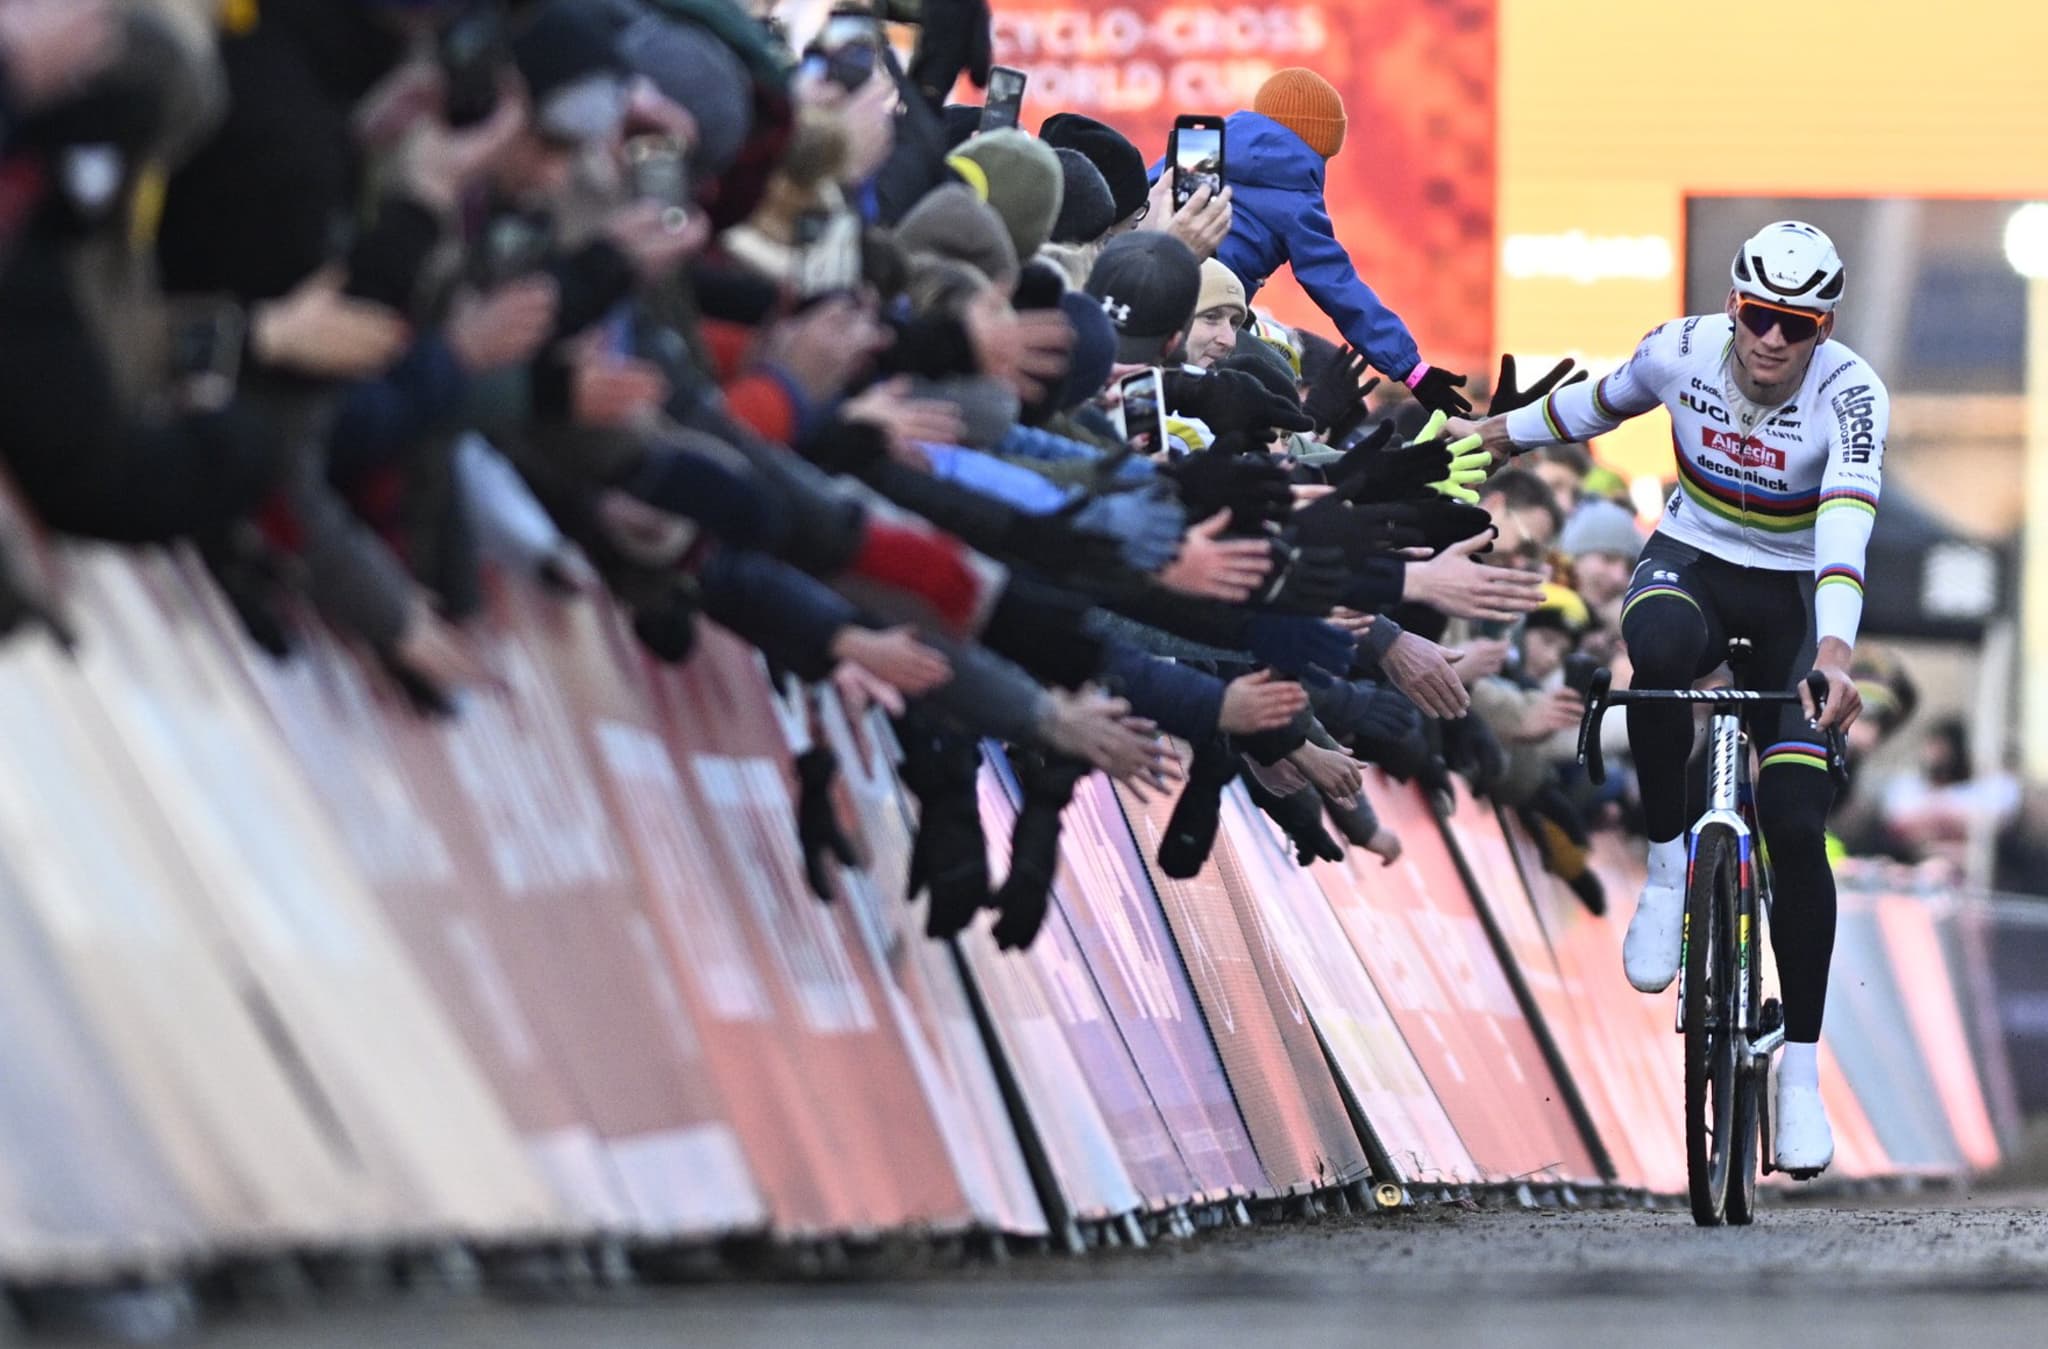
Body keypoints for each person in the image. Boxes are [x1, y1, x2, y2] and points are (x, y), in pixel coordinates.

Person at [1448, 220, 1888, 1177]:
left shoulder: (1852, 395)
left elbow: (1847, 533)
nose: (1773, 340)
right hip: (1690, 561)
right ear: (1734, 305)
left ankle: (1801, 1076)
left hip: (1797, 599)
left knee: (1795, 813)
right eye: (1759, 316)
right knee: (1654, 644)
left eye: (1798, 325)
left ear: (1824, 328)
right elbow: (1591, 408)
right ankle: (1663, 867)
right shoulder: (1680, 350)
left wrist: (1839, 654)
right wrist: (1488, 431)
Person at [1189, 67, 1470, 414]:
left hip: (1147, 294)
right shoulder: (1294, 192)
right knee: (1274, 376)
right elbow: (1338, 287)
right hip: (1209, 316)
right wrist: (1412, 370)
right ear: (1320, 142)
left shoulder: (1201, 149)